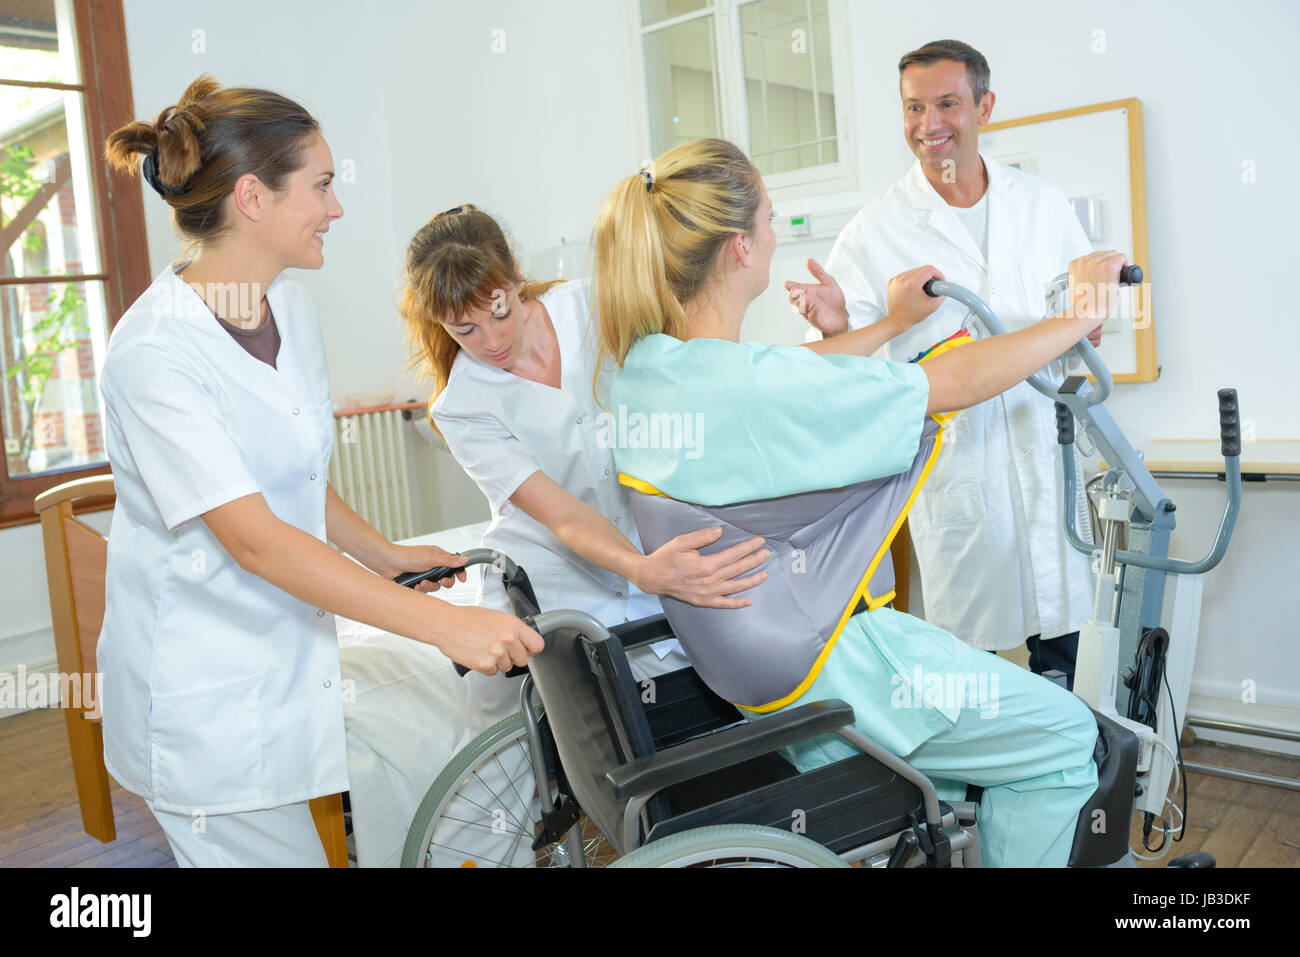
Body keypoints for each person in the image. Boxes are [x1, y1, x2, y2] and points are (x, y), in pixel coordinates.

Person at [593, 137, 1128, 866]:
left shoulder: (651, 369)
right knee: (1068, 736)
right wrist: (1078, 315)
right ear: (739, 249)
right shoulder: (744, 387)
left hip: (765, 670)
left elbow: (787, 372)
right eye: (771, 220)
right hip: (837, 666)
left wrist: (884, 327)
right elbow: (949, 385)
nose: (777, 234)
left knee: (984, 711)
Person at [99, 77, 540, 867]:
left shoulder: (290, 312)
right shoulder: (153, 355)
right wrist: (447, 627)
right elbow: (258, 539)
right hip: (205, 705)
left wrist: (386, 554)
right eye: (322, 185)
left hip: (278, 669)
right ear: (252, 198)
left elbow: (293, 477)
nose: (336, 207)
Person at [786, 40, 1097, 688]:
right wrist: (842, 323)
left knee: (1070, 656)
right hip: (962, 476)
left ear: (984, 106)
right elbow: (840, 370)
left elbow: (1086, 325)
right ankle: (983, 790)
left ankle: (1079, 783)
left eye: (947, 104)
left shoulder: (1041, 205)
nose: (929, 125)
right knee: (972, 674)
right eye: (914, 108)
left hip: (1051, 457)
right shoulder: (876, 230)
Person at [402, 204, 769, 732]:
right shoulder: (462, 403)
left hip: (647, 553)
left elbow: (704, 368)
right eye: (465, 330)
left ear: (517, 277)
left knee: (693, 724)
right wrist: (643, 569)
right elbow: (563, 516)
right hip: (552, 570)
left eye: (500, 312)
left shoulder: (599, 306)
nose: (491, 341)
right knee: (506, 753)